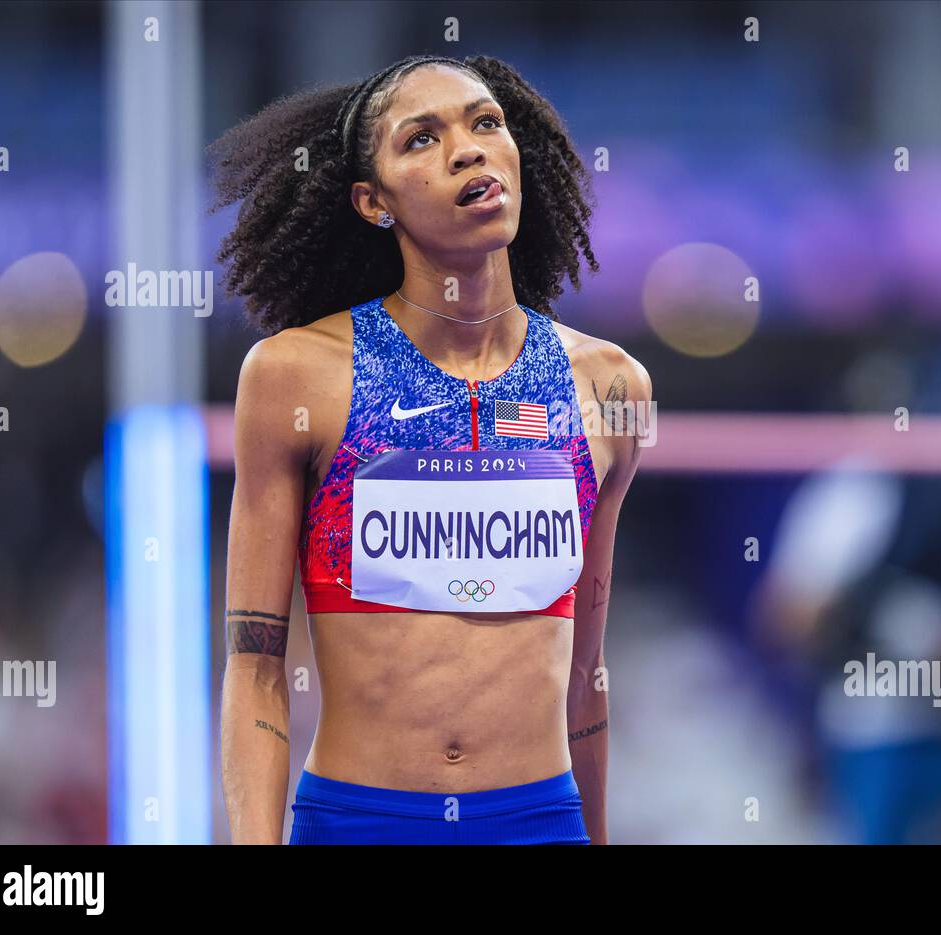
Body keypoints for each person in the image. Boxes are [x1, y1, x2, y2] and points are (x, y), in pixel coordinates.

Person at [209, 54, 650, 844]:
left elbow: (588, 671)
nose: (469, 149)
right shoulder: (296, 376)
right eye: (422, 138)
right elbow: (254, 665)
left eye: (487, 123)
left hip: (538, 821)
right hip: (359, 820)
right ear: (373, 202)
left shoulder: (612, 390)